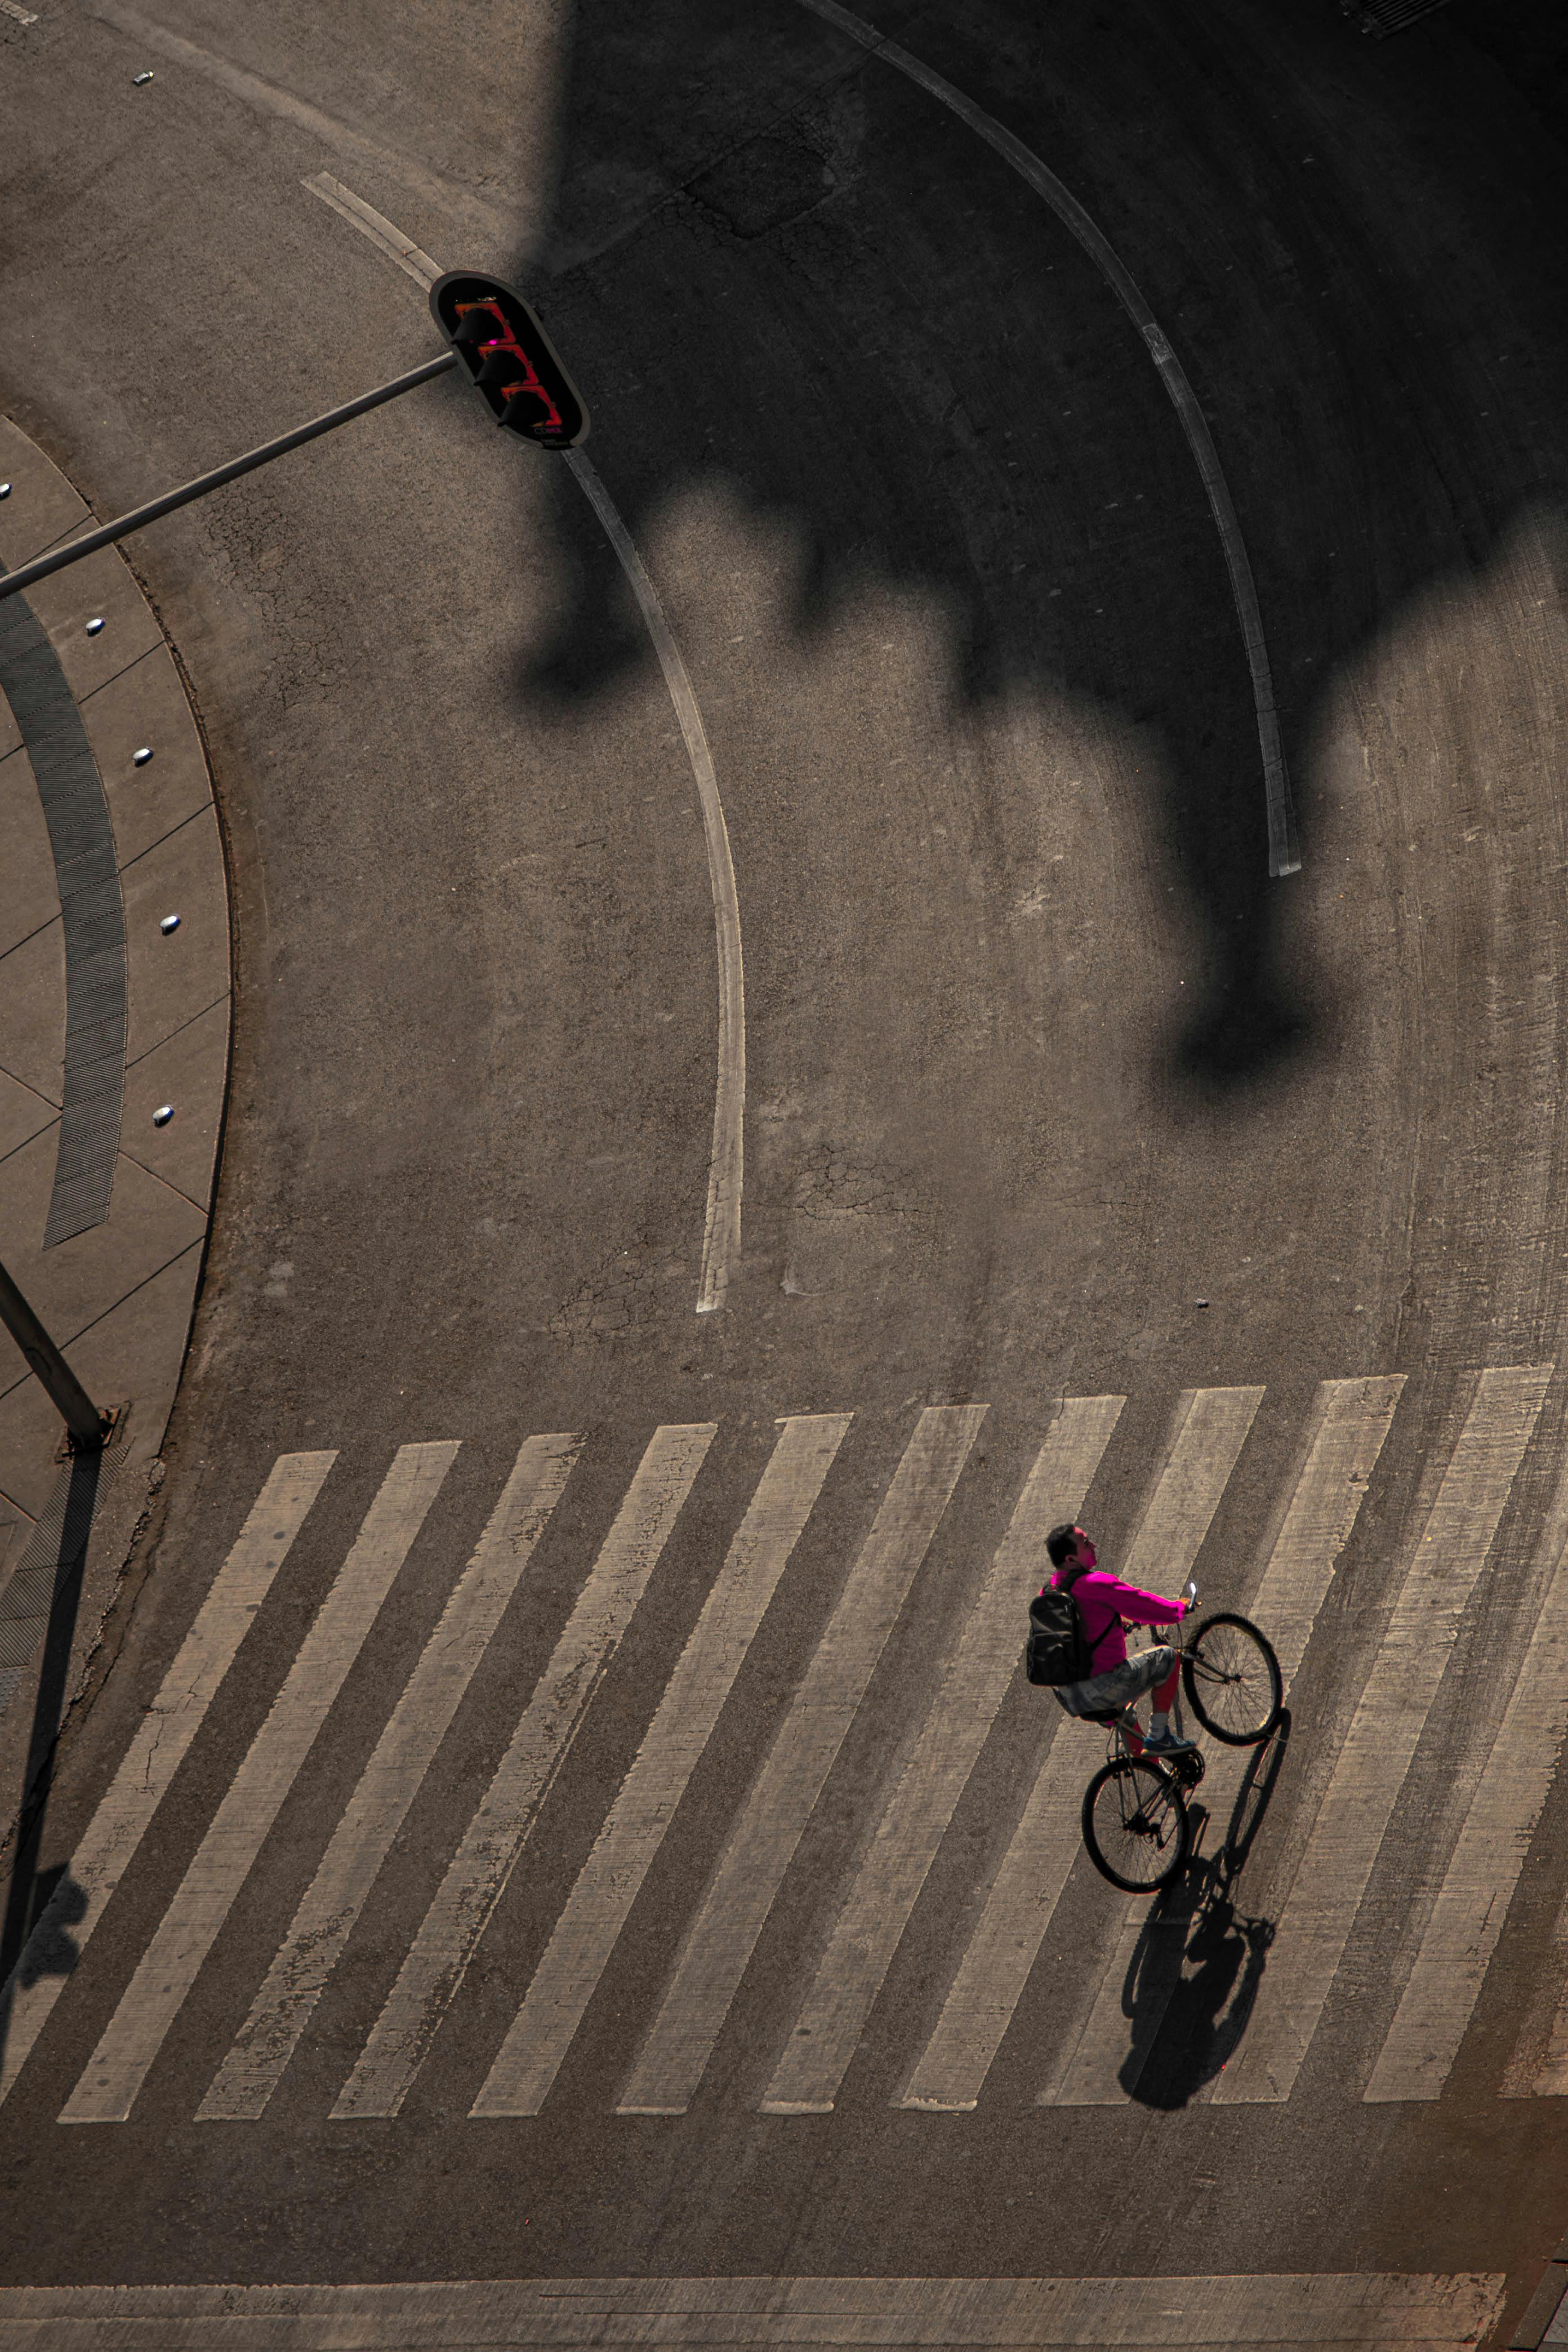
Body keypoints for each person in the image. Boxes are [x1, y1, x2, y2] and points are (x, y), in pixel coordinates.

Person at [1044, 1522, 1197, 1756]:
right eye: (1085, 1543)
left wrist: (1116, 1626)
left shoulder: (1051, 1590)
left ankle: (1153, 1774)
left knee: (1125, 1718)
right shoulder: (1095, 1584)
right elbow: (1140, 1604)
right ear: (1070, 1559)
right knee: (1167, 1657)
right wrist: (1177, 1609)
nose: (1093, 1545)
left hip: (1071, 1696)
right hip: (1102, 1686)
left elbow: (1078, 1630)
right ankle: (1160, 1736)